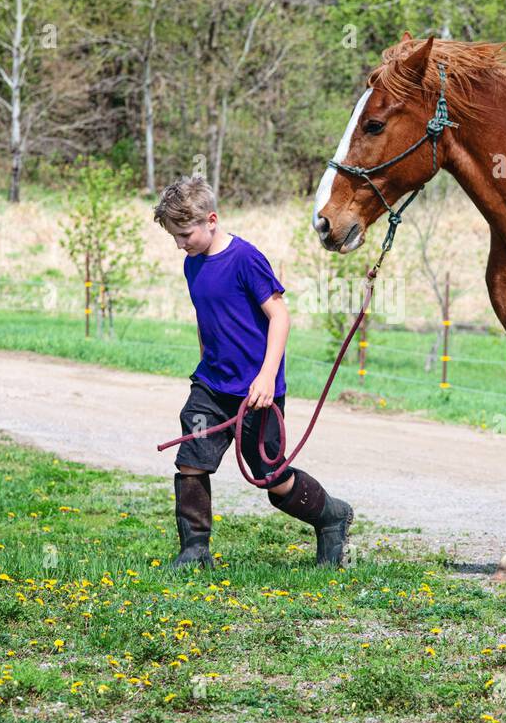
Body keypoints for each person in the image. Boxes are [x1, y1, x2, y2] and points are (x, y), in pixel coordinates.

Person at [151, 173, 354, 569]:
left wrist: (266, 376)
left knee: (271, 479)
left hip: (257, 391)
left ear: (211, 219)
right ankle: (194, 550)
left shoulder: (245, 259)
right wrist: (205, 360)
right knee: (191, 459)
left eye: (185, 234)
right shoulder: (192, 264)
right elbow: (206, 319)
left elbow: (279, 315)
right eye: (174, 236)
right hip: (211, 386)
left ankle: (331, 517)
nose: (180, 244)